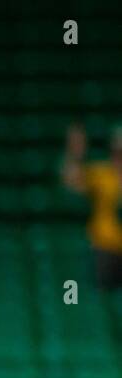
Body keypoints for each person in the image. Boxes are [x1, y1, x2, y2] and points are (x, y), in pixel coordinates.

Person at [61, 123, 122, 290]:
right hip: (106, 249)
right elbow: (72, 181)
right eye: (118, 152)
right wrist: (75, 155)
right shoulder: (102, 173)